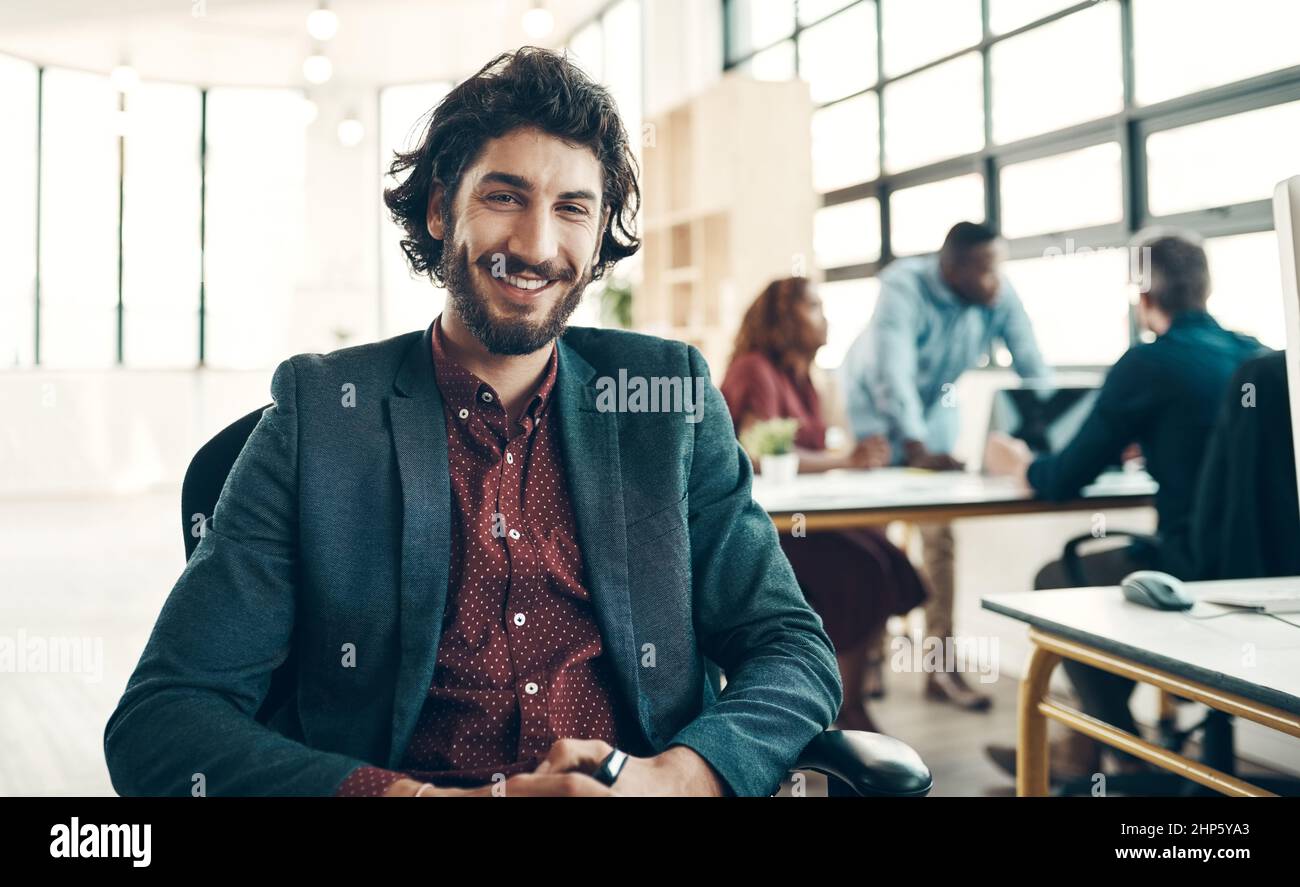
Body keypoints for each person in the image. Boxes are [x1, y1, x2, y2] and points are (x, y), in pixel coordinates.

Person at [103, 47, 841, 798]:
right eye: (504, 196)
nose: (536, 245)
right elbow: (162, 721)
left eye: (573, 209)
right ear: (438, 208)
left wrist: (679, 780)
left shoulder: (666, 400)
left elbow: (789, 645)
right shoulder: (320, 418)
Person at [983, 230, 1265, 781]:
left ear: (1143, 299)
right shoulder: (1254, 355)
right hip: (1270, 568)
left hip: (1194, 566)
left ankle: (1129, 756)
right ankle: (1083, 750)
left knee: (1056, 581)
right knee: (1110, 582)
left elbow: (1063, 477)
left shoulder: (1146, 364)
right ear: (1204, 289)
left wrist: (1018, 461)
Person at [841, 221, 1049, 710]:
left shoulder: (996, 290)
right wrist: (913, 445)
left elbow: (1032, 363)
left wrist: (1054, 422)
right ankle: (864, 660)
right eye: (983, 269)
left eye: (998, 267)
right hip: (870, 405)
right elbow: (892, 370)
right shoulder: (903, 285)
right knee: (872, 536)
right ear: (951, 268)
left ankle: (939, 667)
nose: (995, 280)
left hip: (934, 411)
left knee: (940, 538)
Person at [719, 277, 929, 734]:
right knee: (865, 570)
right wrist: (844, 460)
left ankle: (844, 697)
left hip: (799, 521)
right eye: (814, 306)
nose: (825, 317)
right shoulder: (754, 369)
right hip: (757, 529)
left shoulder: (803, 379)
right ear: (783, 318)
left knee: (888, 558)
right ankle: (844, 707)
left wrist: (853, 459)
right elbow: (755, 451)